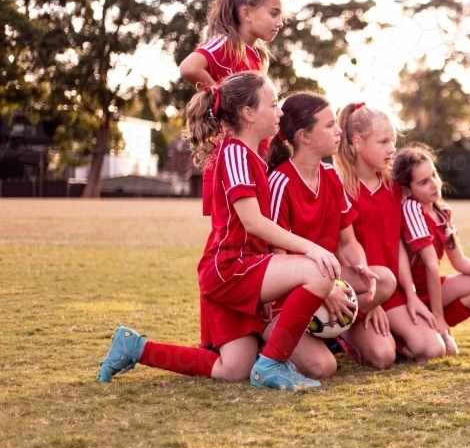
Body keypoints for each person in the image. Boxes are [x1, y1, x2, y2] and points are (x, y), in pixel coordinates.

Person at [97, 71, 340, 390]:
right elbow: (253, 222)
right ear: (248, 113)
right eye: (273, 104)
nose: (280, 112)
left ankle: (136, 348)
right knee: (319, 270)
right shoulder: (235, 151)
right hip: (231, 268)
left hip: (245, 268)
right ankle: (271, 366)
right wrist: (311, 248)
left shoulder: (251, 153)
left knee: (233, 369)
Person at [267, 91, 397, 372]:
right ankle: (276, 338)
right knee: (323, 367)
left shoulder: (331, 175)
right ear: (304, 136)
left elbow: (348, 242)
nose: (339, 131)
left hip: (329, 281)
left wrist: (361, 267)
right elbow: (278, 262)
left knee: (384, 280)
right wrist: (326, 292)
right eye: (329, 125)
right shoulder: (280, 181)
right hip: (288, 295)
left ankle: (332, 328)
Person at [335, 104, 446, 363]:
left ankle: (397, 340)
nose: (392, 149)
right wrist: (371, 302)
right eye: (383, 142)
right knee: (382, 357)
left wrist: (411, 295)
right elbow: (339, 249)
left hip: (392, 289)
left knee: (433, 349)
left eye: (393, 141)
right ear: (358, 143)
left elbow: (397, 245)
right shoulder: (339, 185)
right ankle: (342, 335)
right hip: (360, 292)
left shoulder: (393, 186)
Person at [178, 0, 286, 216]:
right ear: (246, 13)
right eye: (273, 13)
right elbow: (189, 68)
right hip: (233, 157)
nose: (279, 22)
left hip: (257, 154)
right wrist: (222, 100)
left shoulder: (257, 55)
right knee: (231, 228)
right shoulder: (224, 43)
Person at [392, 143, 470, 355]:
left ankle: (434, 328)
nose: (434, 184)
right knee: (442, 351)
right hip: (409, 295)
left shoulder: (443, 211)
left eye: (434, 175)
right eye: (424, 182)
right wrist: (438, 317)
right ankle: (407, 337)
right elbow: (431, 265)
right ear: (408, 189)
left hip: (431, 290)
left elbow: (459, 260)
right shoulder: (412, 207)